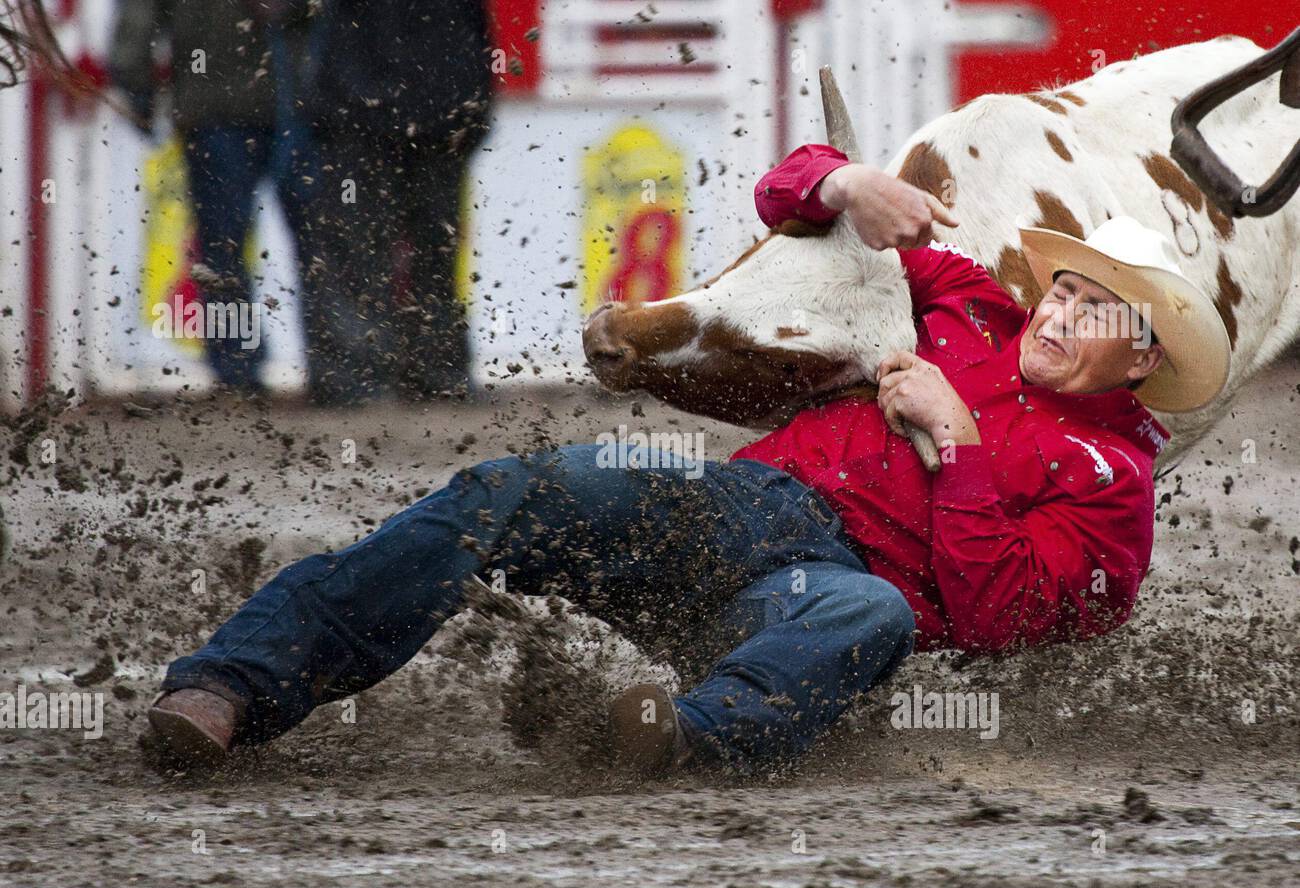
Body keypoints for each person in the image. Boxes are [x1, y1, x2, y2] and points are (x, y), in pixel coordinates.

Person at [145, 144, 1230, 776]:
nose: (1060, 310)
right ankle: (233, 684)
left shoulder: (1118, 493)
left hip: (828, 594)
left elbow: (999, 619)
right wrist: (845, 182)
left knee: (874, 618)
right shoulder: (971, 304)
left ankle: (675, 740)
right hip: (739, 504)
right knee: (508, 489)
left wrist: (958, 441)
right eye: (1067, 287)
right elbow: (787, 207)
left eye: (1097, 307)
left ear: (1142, 356)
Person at [108, 0, 322, 393]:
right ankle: (257, 370)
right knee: (243, 247)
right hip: (234, 107)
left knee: (285, 244)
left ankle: (269, 371)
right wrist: (138, 87)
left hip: (280, 105)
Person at [302, 0, 493, 404]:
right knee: (361, 250)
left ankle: (422, 371)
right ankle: (364, 375)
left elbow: (475, 25)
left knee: (429, 254)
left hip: (425, 110)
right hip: (371, 114)